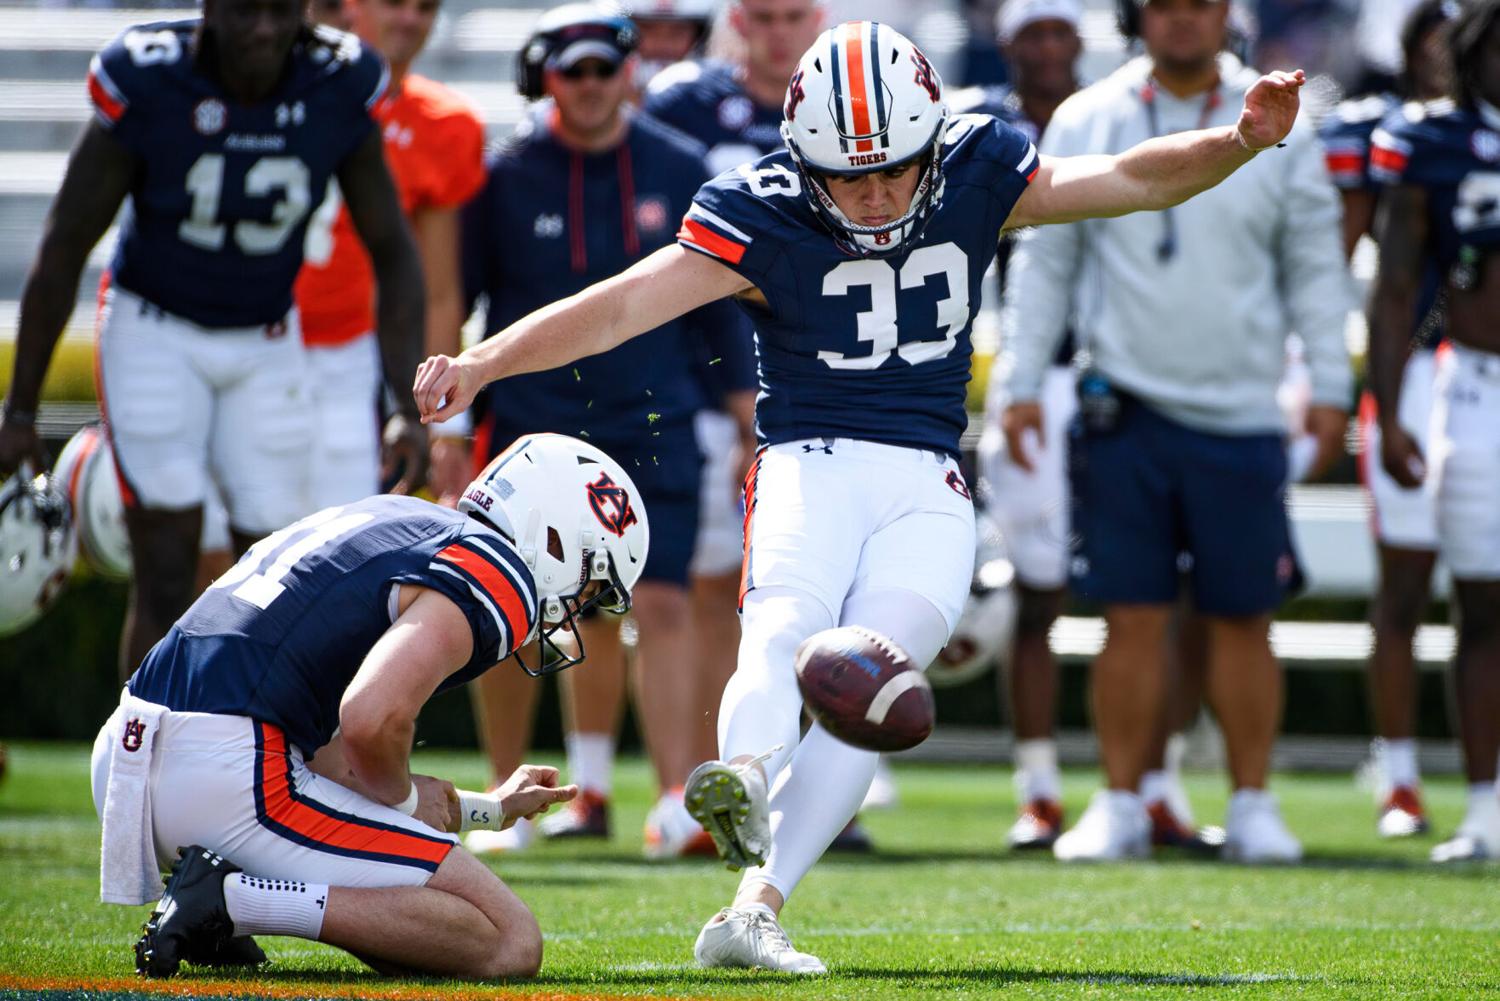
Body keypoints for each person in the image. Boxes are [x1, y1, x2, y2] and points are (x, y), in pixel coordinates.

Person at [415, 19, 1308, 972]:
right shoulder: (761, 210)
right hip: (810, 459)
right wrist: (485, 360)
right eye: (850, 174)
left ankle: (755, 908)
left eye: (896, 169)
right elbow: (626, 301)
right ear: (803, 158)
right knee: (783, 624)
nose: (877, 192)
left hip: (926, 481)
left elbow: (1127, 179)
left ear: (932, 141)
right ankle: (744, 775)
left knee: (866, 694)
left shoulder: (978, 165)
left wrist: (1240, 140)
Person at [90, 433, 646, 980]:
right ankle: (230, 904)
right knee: (507, 940)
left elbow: (334, 763)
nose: (577, 608)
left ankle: (223, 893)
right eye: (589, 584)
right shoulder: (497, 571)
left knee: (426, 939)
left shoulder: (402, 517)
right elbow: (370, 720)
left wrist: (489, 810)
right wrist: (402, 800)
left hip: (131, 752)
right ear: (552, 538)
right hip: (229, 775)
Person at [1000, 0, 1351, 865]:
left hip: (1242, 406)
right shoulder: (1090, 112)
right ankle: (1119, 801)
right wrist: (1017, 381)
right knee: (1131, 615)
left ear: (1226, 13)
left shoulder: (1284, 115)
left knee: (1244, 617)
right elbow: (1047, 255)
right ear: (1136, 16)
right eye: (1166, 3)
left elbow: (1313, 257)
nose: (1186, 19)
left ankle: (1254, 803)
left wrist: (1334, 386)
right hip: (1123, 402)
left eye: (1203, 2)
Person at [0, 0, 428, 679]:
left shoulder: (336, 81)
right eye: (243, 11)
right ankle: (141, 771)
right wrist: (21, 409)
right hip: (153, 328)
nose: (262, 29)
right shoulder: (149, 75)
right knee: (166, 569)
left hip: (264, 336)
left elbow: (395, 251)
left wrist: (405, 401)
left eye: (278, 11)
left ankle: (263, 763)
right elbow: (64, 243)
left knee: (279, 573)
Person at [459, 4, 733, 858]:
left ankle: (672, 799)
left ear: (629, 72)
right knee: (507, 603)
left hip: (654, 412)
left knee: (657, 601)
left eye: (602, 69)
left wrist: (749, 410)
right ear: (544, 76)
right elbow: (463, 298)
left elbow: (721, 305)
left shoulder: (682, 165)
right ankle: (511, 800)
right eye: (570, 70)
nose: (588, 86)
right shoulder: (502, 173)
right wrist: (449, 412)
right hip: (532, 422)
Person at [1318, 0, 1456, 839]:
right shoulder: (1389, 133)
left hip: (1481, 368)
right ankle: (1398, 768)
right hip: (1414, 367)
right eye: (1431, 44)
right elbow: (1340, 256)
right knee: (1402, 587)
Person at [1367, 0, 1500, 863]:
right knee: (1483, 608)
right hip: (1476, 389)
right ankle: (1486, 806)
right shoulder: (1432, 139)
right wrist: (1385, 409)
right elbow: (1394, 280)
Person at [953, 0, 1085, 852]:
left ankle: (1153, 780)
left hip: (1115, 372)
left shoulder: (1109, 116)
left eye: (1056, 33)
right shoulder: (978, 132)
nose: (1043, 50)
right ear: (1007, 45)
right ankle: (1038, 783)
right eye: (1029, 34)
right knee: (1036, 594)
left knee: (1157, 593)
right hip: (1015, 377)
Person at [297, 0, 486, 510]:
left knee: (335, 532)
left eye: (424, 8)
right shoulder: (289, 90)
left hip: (348, 352)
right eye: (394, 3)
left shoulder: (445, 124)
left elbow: (440, 289)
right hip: (254, 332)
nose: (409, 19)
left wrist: (448, 420)